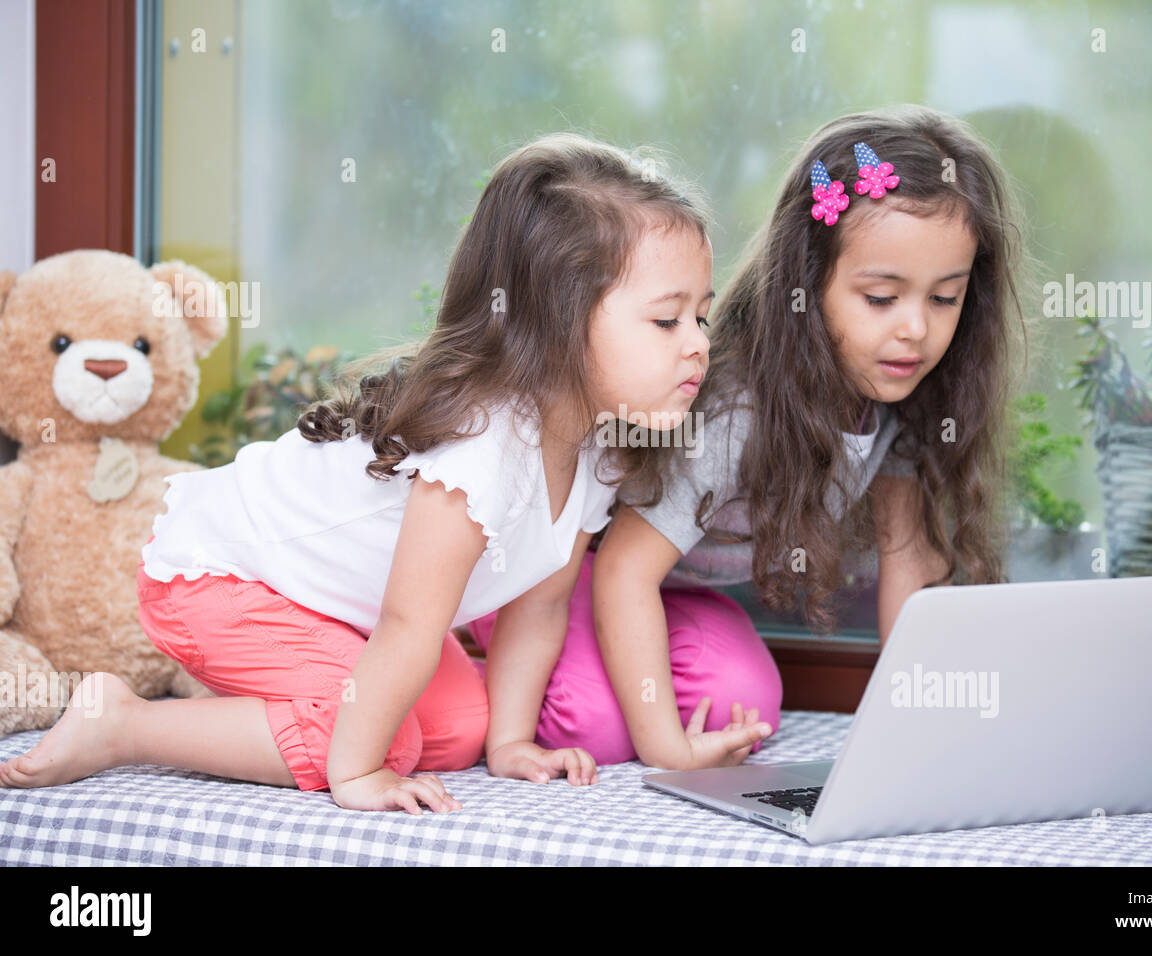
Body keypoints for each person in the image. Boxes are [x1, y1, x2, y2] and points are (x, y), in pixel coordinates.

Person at [0, 132, 715, 813]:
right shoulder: (483, 450)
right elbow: (408, 623)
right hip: (215, 578)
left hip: (327, 603)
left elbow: (541, 606)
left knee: (463, 722)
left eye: (702, 320)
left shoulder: (599, 447)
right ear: (559, 320)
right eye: (666, 322)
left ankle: (265, 708)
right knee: (382, 737)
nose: (697, 348)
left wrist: (510, 742)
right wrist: (359, 770)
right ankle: (123, 722)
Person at [466, 105, 1032, 770]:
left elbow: (907, 560)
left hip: (665, 592)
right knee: (595, 728)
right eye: (882, 298)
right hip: (567, 572)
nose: (916, 329)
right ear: (808, 282)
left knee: (745, 708)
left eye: (945, 299)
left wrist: (927, 718)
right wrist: (666, 750)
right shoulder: (737, 412)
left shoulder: (905, 397)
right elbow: (622, 570)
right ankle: (474, 669)